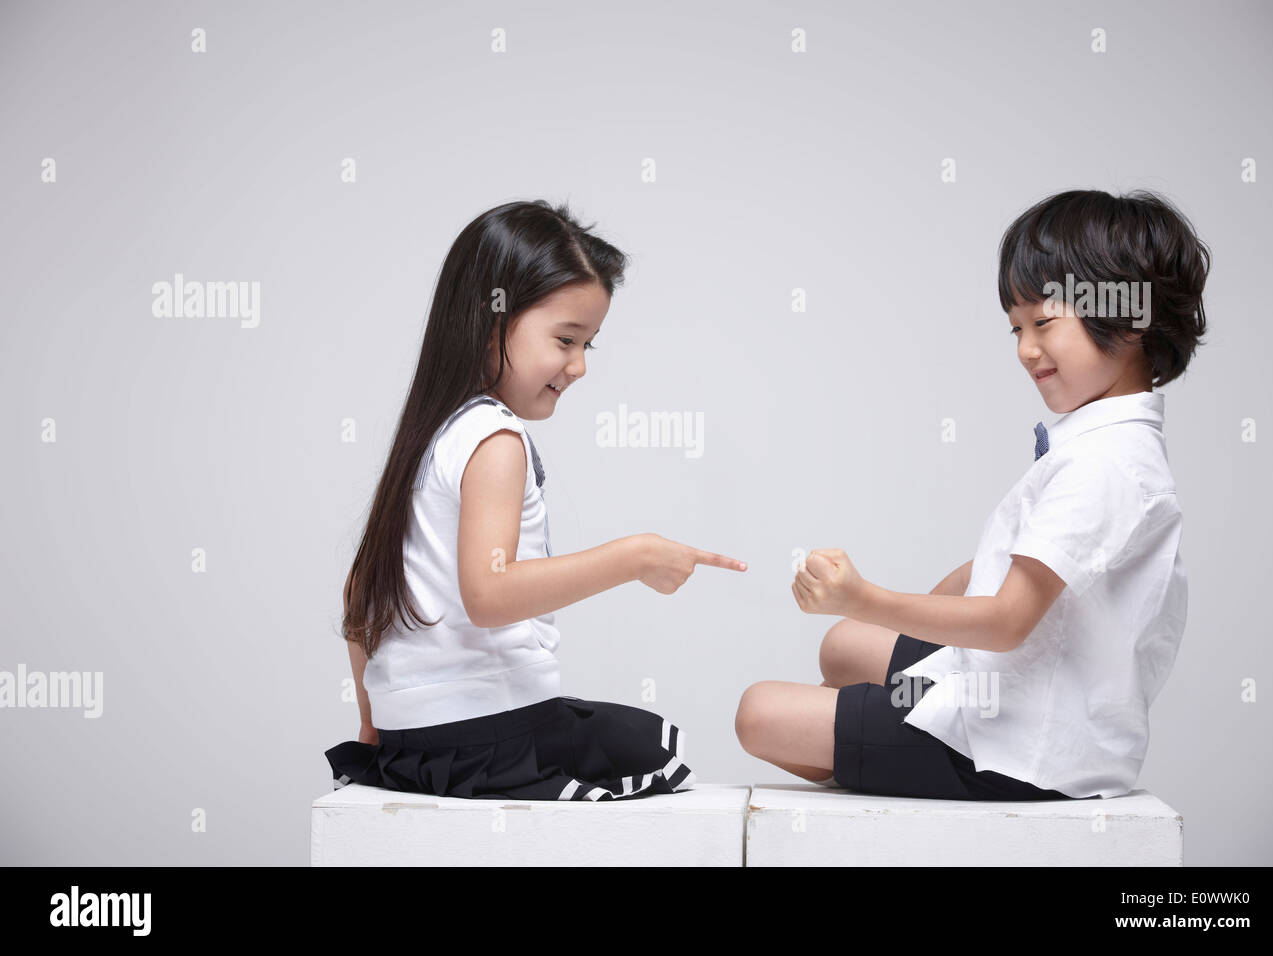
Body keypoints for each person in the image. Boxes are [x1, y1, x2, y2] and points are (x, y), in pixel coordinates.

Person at [736, 189, 1209, 801]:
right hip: (1010, 692)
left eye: (1043, 322)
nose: (1024, 349)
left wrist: (867, 596)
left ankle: (889, 754)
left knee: (759, 713)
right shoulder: (1105, 442)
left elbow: (1008, 621)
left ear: (1129, 314)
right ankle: (875, 733)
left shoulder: (1108, 466)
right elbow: (1018, 564)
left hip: (1014, 748)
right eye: (1016, 327)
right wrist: (907, 624)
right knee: (845, 646)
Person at [326, 200, 746, 800]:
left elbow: (358, 590)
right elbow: (491, 595)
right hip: (486, 736)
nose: (577, 367)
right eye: (566, 339)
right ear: (489, 319)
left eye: (588, 345)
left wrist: (373, 726)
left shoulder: (431, 435)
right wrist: (636, 556)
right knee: (645, 747)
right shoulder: (494, 438)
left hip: (412, 745)